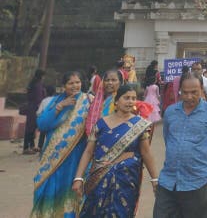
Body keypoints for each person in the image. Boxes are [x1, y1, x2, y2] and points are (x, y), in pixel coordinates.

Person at [72, 84, 158, 217]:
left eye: (133, 98)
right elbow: (88, 152)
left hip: (126, 181)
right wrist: (78, 178)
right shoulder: (101, 124)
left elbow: (146, 153)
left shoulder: (140, 125)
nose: (130, 101)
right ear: (117, 101)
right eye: (126, 98)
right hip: (99, 178)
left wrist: (155, 179)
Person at [154, 72, 207, 218]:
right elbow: (168, 139)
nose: (189, 97)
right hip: (168, 181)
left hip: (197, 182)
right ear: (180, 91)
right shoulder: (171, 112)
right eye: (185, 92)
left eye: (194, 92)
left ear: (202, 89)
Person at [31, 71, 90, 217]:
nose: (75, 86)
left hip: (76, 158)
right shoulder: (55, 101)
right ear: (64, 86)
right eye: (71, 83)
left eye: (77, 82)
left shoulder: (89, 101)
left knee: (71, 191)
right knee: (50, 188)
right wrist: (60, 106)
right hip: (52, 158)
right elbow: (42, 124)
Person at [85, 69, 123, 137]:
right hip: (95, 138)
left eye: (113, 80)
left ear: (120, 82)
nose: (110, 83)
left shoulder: (122, 100)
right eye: (107, 80)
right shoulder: (97, 100)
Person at [24, 68, 46, 154]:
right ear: (41, 76)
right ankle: (27, 147)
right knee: (31, 128)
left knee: (31, 127)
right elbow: (38, 98)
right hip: (35, 108)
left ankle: (31, 146)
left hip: (31, 107)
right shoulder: (38, 85)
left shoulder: (33, 83)